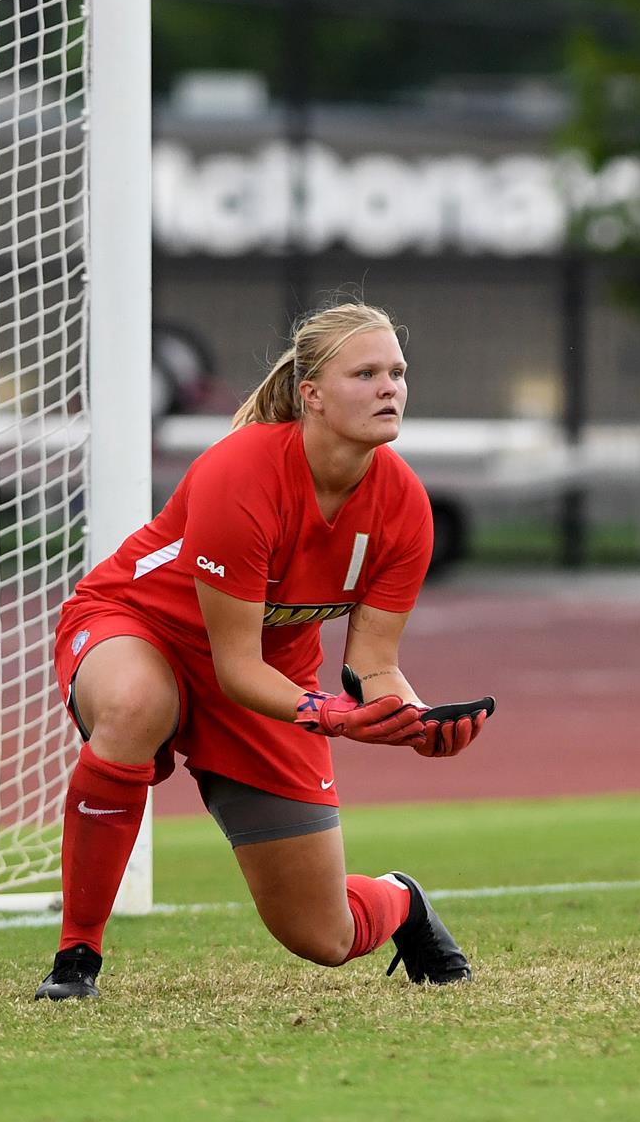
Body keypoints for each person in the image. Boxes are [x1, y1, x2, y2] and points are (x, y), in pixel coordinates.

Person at [34, 301, 489, 1000]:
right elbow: (235, 664)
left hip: (268, 680)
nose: (389, 387)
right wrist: (331, 716)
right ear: (311, 394)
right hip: (139, 628)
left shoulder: (406, 506)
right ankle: (76, 961)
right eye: (365, 372)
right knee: (136, 703)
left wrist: (416, 722)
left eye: (396, 372)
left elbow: (373, 665)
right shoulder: (241, 471)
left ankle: (402, 900)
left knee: (323, 937)